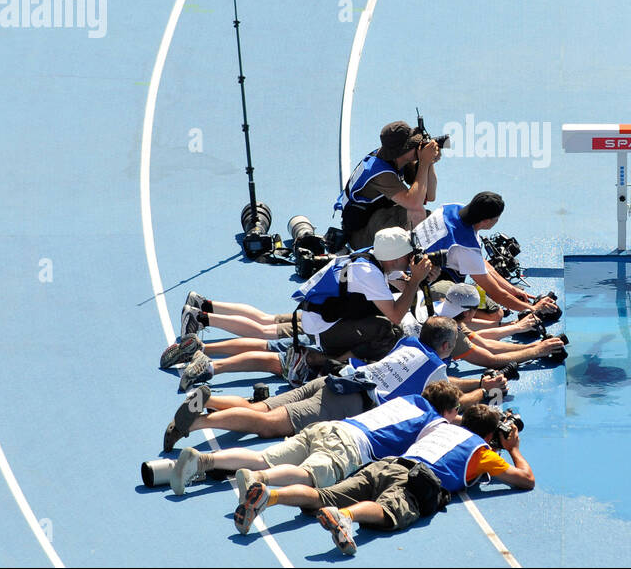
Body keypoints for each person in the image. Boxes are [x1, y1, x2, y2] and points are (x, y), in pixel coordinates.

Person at [163, 316, 506, 450]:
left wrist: (482, 381)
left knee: (262, 407)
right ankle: (197, 422)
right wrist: (488, 389)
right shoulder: (436, 372)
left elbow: (446, 382)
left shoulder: (410, 344)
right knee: (268, 425)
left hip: (336, 381)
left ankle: (206, 399)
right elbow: (450, 397)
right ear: (445, 347)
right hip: (348, 403)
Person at [233, 403, 535, 550]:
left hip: (389, 464)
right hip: (418, 481)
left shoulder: (440, 426)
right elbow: (525, 479)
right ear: (490, 436)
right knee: (390, 511)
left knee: (324, 494)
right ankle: (345, 517)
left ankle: (270, 495)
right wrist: (514, 448)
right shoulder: (483, 453)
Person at [170, 228, 430, 382]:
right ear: (395, 256)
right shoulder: (371, 274)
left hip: (316, 311)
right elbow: (395, 315)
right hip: (321, 324)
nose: (411, 257)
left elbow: (396, 286)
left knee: (265, 322)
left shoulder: (370, 257)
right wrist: (416, 281)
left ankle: (203, 308)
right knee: (265, 335)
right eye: (407, 254)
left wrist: (412, 280)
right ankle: (203, 321)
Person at [167, 380, 462, 496]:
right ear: (446, 411)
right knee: (310, 474)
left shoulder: (409, 399)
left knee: (263, 455)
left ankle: (203, 460)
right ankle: (260, 480)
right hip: (351, 447)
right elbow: (430, 447)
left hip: (330, 426)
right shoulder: (433, 421)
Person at [410, 191, 549, 314]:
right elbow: (498, 295)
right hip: (422, 284)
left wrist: (511, 289)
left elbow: (480, 264)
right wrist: (533, 309)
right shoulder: (465, 249)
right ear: (487, 221)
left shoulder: (451, 207)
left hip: (411, 258)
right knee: (495, 315)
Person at [334, 120, 439, 251]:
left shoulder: (399, 160)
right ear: (401, 151)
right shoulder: (380, 173)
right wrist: (424, 162)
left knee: (431, 221)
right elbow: (414, 203)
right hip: (361, 236)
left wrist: (430, 162)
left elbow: (430, 195)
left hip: (378, 217)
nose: (418, 146)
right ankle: (413, 259)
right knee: (417, 213)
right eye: (414, 144)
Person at [438, 283, 569, 368]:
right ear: (467, 312)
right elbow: (491, 360)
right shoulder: (450, 332)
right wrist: (537, 351)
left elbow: (482, 342)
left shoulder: (439, 309)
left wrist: (532, 344)